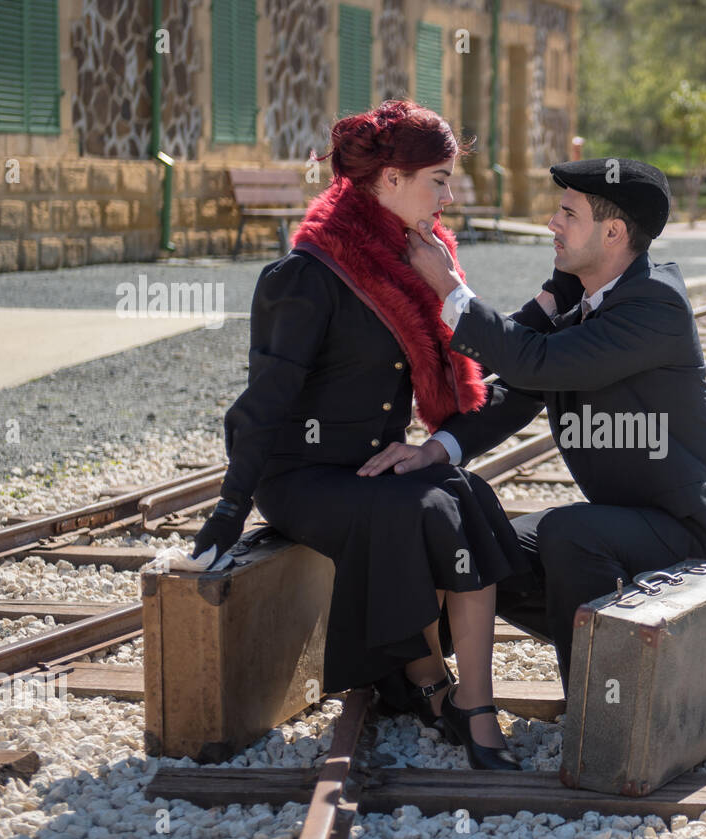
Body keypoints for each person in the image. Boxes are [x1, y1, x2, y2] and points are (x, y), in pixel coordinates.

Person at [190, 100, 529, 770]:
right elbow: (265, 401)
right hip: (303, 477)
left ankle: (474, 702)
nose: (449, 194)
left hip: (372, 465)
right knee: (414, 508)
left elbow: (480, 375)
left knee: (463, 495)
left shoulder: (417, 259)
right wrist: (231, 507)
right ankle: (429, 682)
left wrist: (462, 299)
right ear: (387, 181)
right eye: (438, 178)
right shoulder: (311, 274)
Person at [397, 157, 706, 696]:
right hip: (636, 531)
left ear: (613, 232)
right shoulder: (592, 305)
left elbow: (534, 362)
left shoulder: (654, 305)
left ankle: (601, 707)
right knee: (479, 539)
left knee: (570, 533)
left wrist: (451, 289)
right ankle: (414, 681)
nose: (552, 224)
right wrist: (439, 450)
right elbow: (512, 390)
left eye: (568, 213)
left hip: (699, 546)